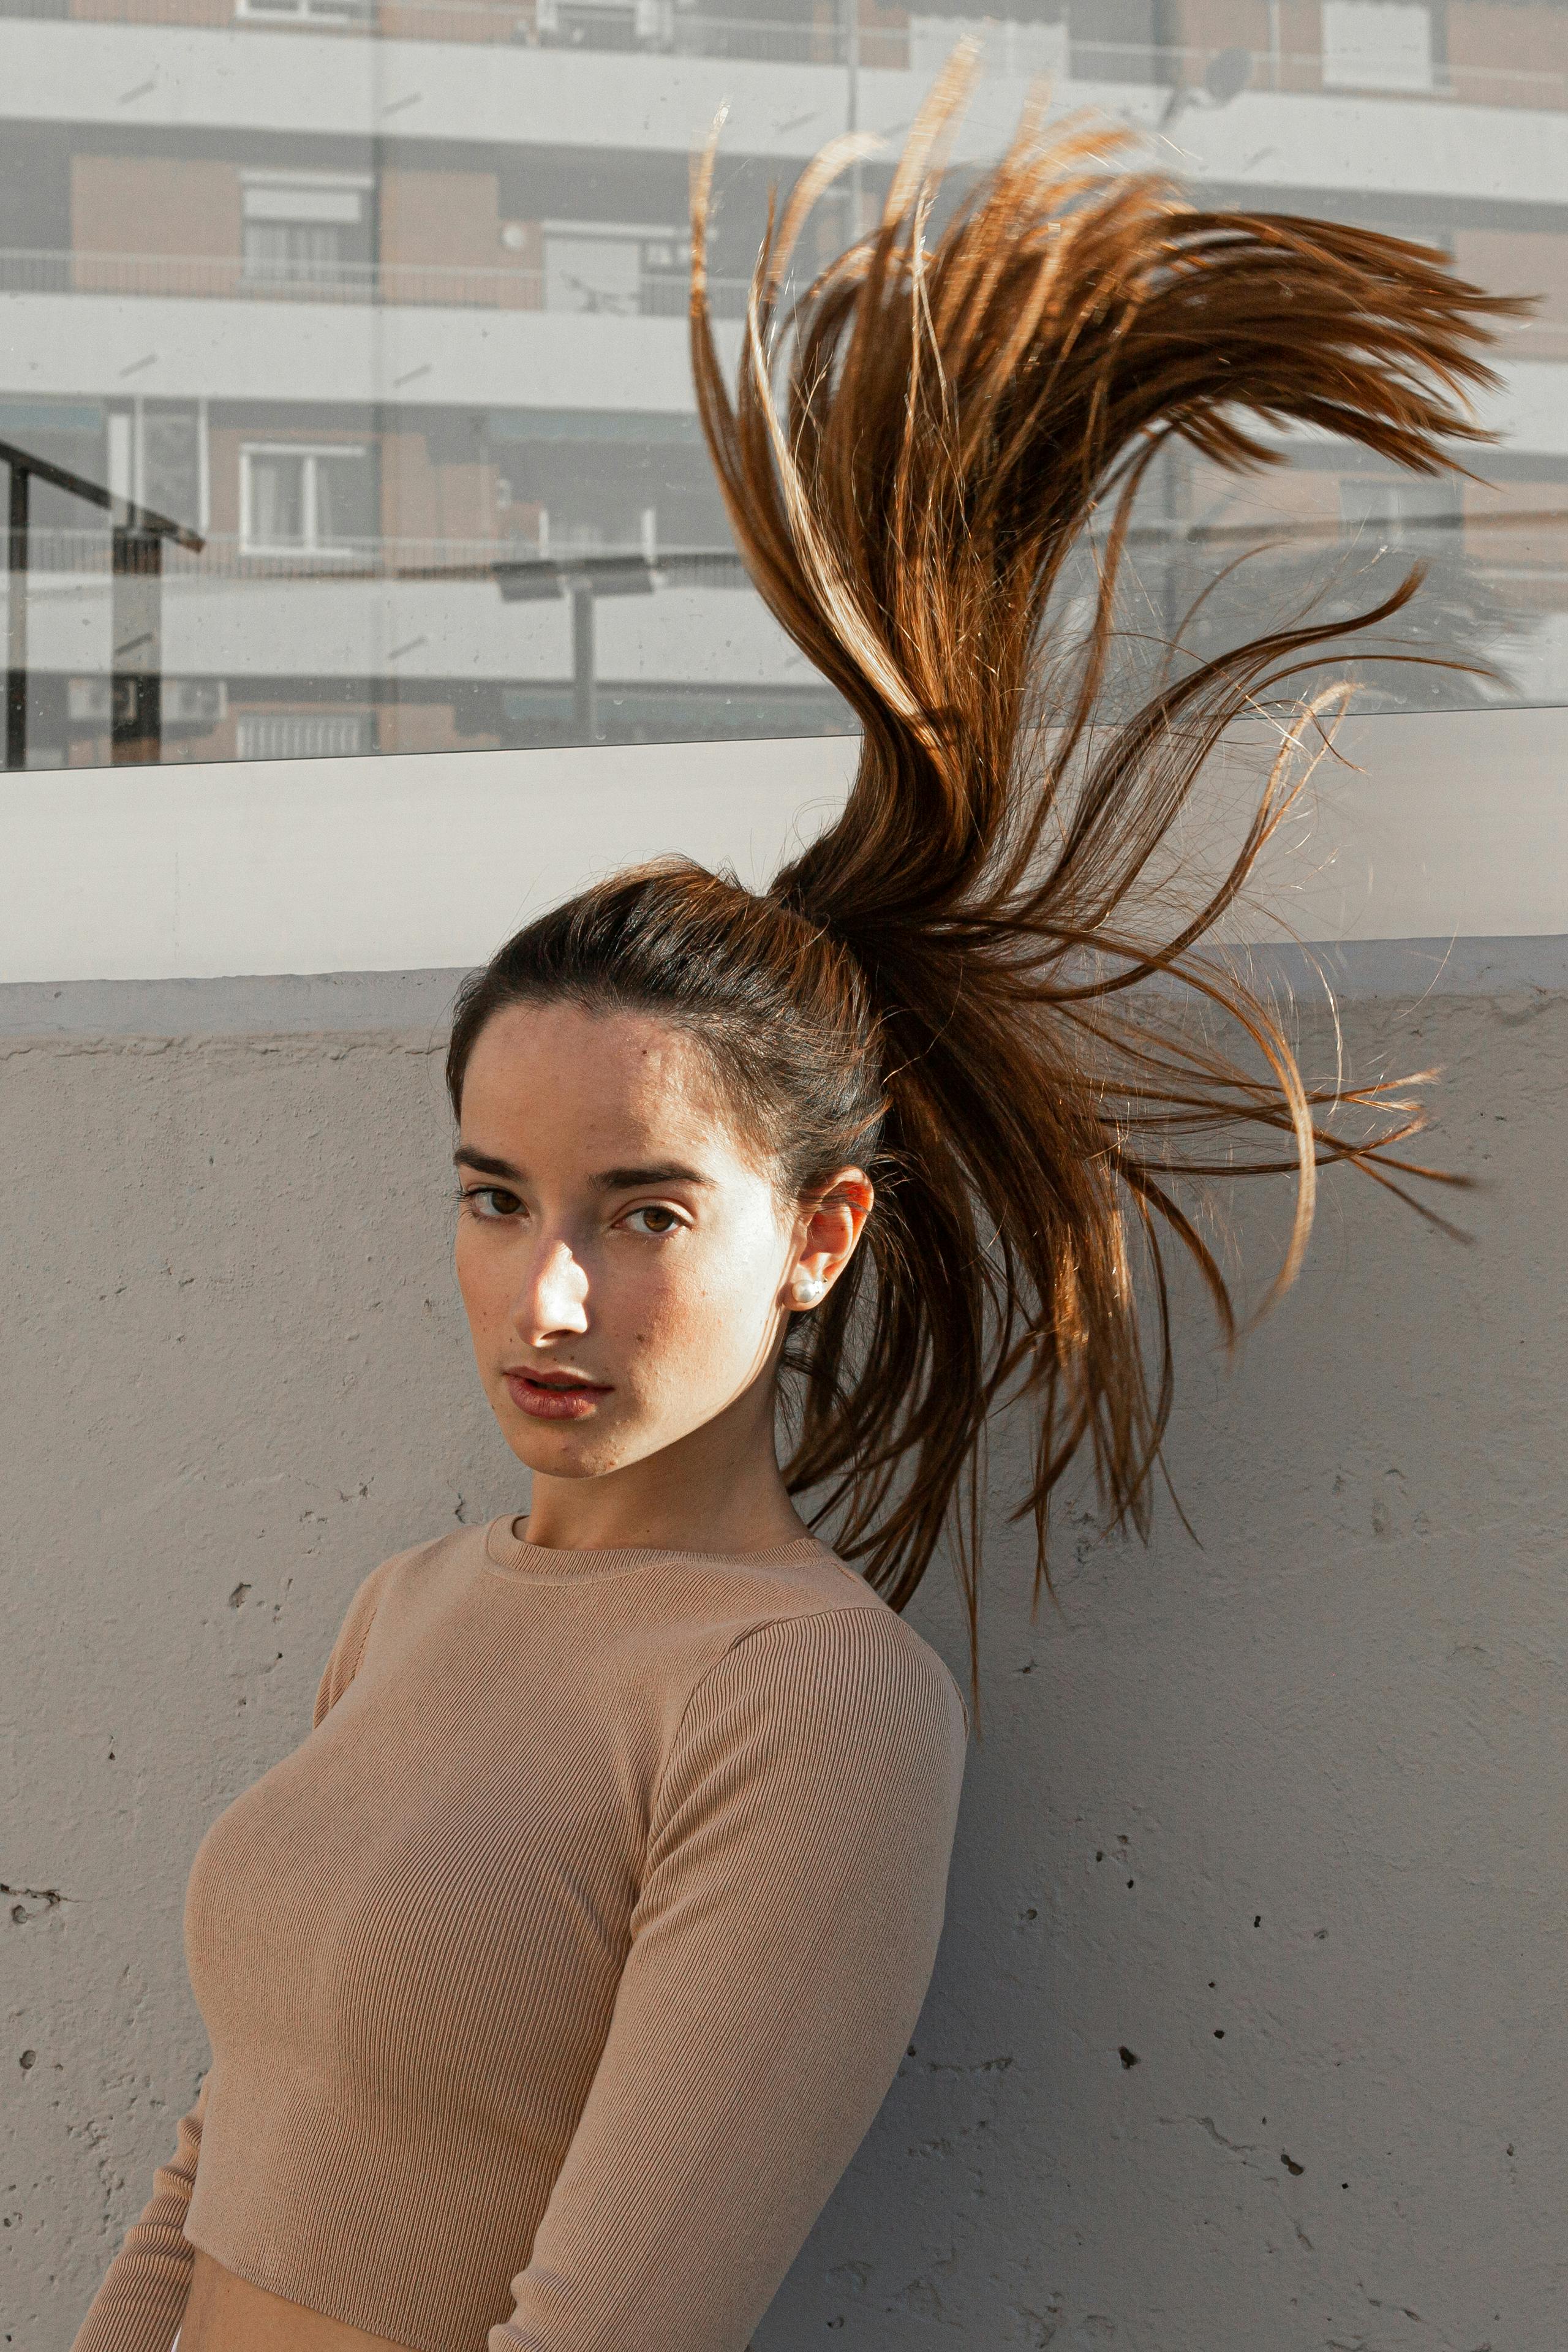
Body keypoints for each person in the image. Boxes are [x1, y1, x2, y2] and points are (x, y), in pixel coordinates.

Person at [70, 59, 1520, 2352]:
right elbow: (219, 2150)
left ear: (820, 1240)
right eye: (496, 1196)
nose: (549, 1293)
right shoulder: (406, 1608)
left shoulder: (806, 1705)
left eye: (645, 1212)